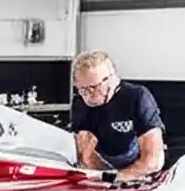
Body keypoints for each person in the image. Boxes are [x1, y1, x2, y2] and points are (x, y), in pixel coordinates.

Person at [69, 50, 166, 182]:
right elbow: (86, 158)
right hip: (103, 161)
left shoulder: (137, 97)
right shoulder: (80, 103)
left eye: (95, 87)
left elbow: (152, 158)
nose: (90, 95)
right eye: (83, 89)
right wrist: (107, 177)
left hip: (137, 159)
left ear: (112, 79)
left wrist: (124, 176)